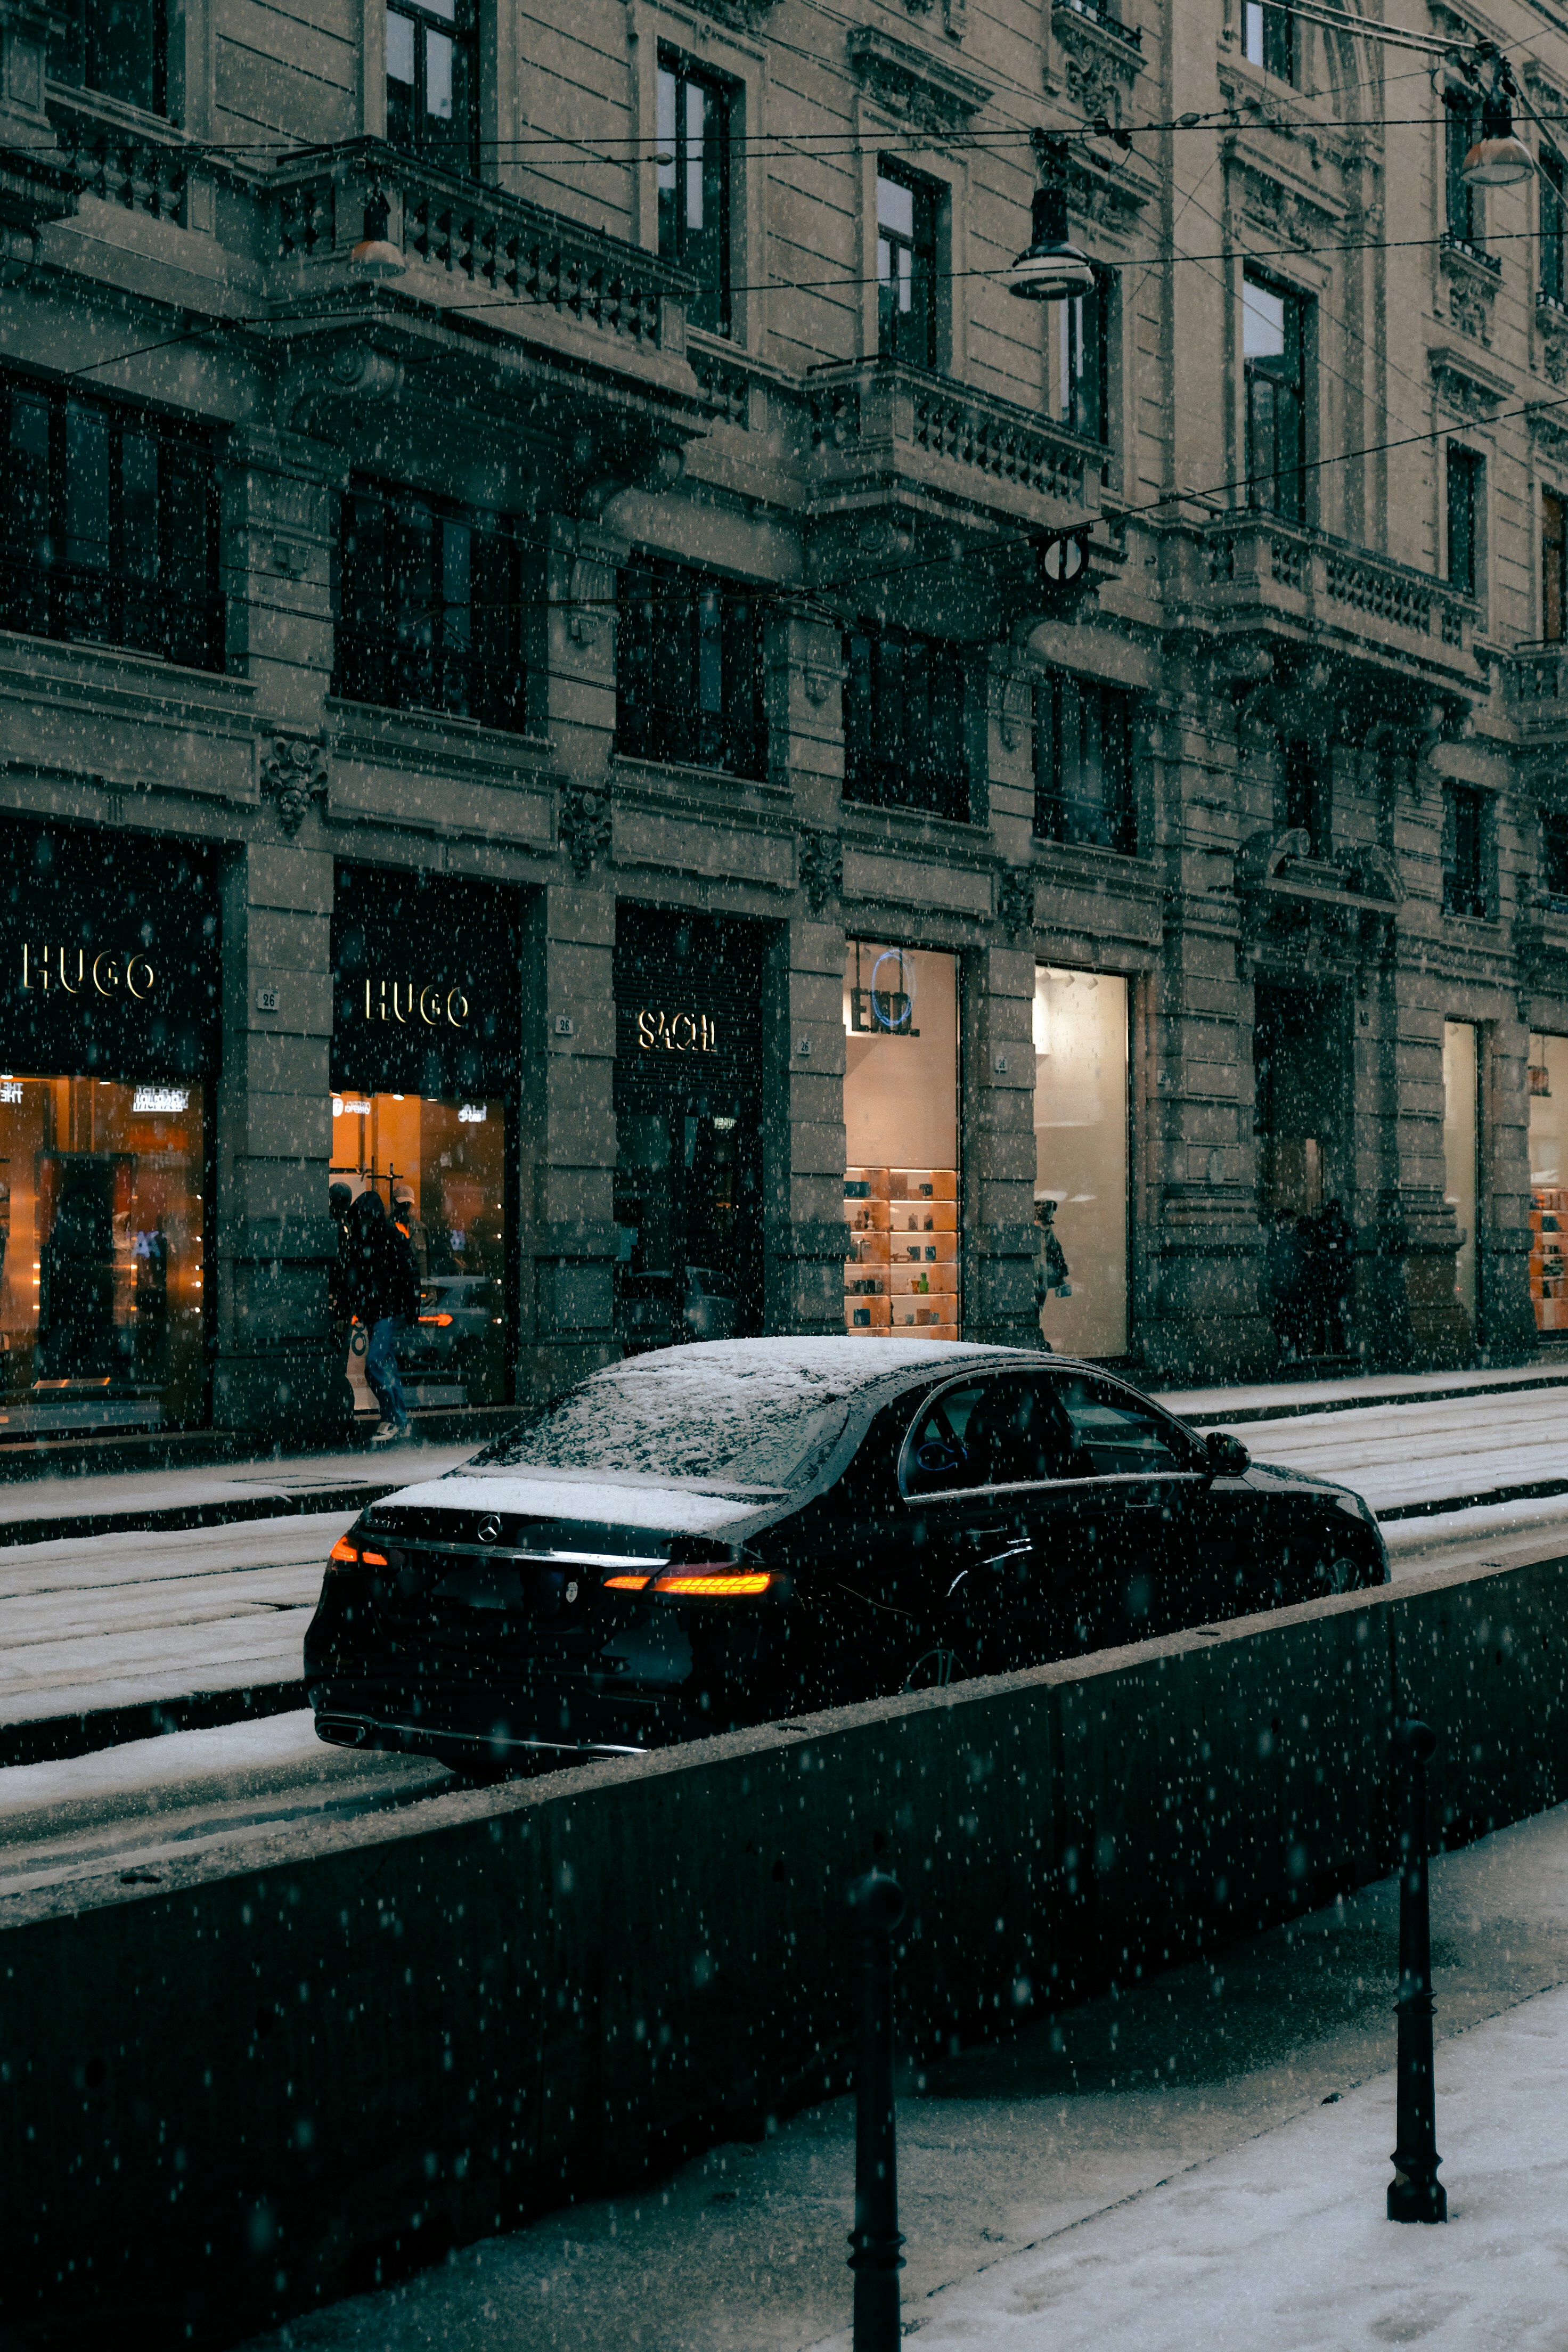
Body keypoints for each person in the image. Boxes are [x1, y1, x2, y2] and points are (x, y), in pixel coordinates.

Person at [345, 1187, 419, 1443]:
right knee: (384, 1364)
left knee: (376, 1364)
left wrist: (410, 1306)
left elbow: (408, 1273)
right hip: (381, 1310)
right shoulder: (379, 1238)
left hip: (383, 1310)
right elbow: (409, 1272)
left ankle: (393, 1418)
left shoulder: (379, 1238)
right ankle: (398, 1419)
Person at [1264, 1206, 1304, 1363]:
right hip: (1283, 1286)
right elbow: (1274, 1260)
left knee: (1295, 1317)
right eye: (1291, 1221)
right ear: (1284, 1221)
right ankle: (1285, 1348)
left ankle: (1295, 1347)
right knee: (1284, 1317)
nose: (1293, 1224)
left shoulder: (1292, 1237)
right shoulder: (1276, 1238)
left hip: (1293, 1285)